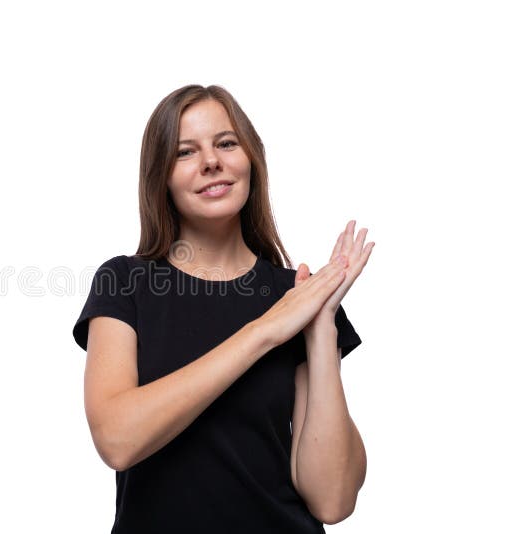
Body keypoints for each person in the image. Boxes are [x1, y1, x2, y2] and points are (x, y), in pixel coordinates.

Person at [71, 84, 374, 534]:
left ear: (250, 158)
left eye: (226, 143)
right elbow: (117, 439)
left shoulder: (297, 296)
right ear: (162, 177)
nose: (211, 161)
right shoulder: (125, 282)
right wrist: (264, 332)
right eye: (185, 152)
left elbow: (332, 499)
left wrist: (321, 328)